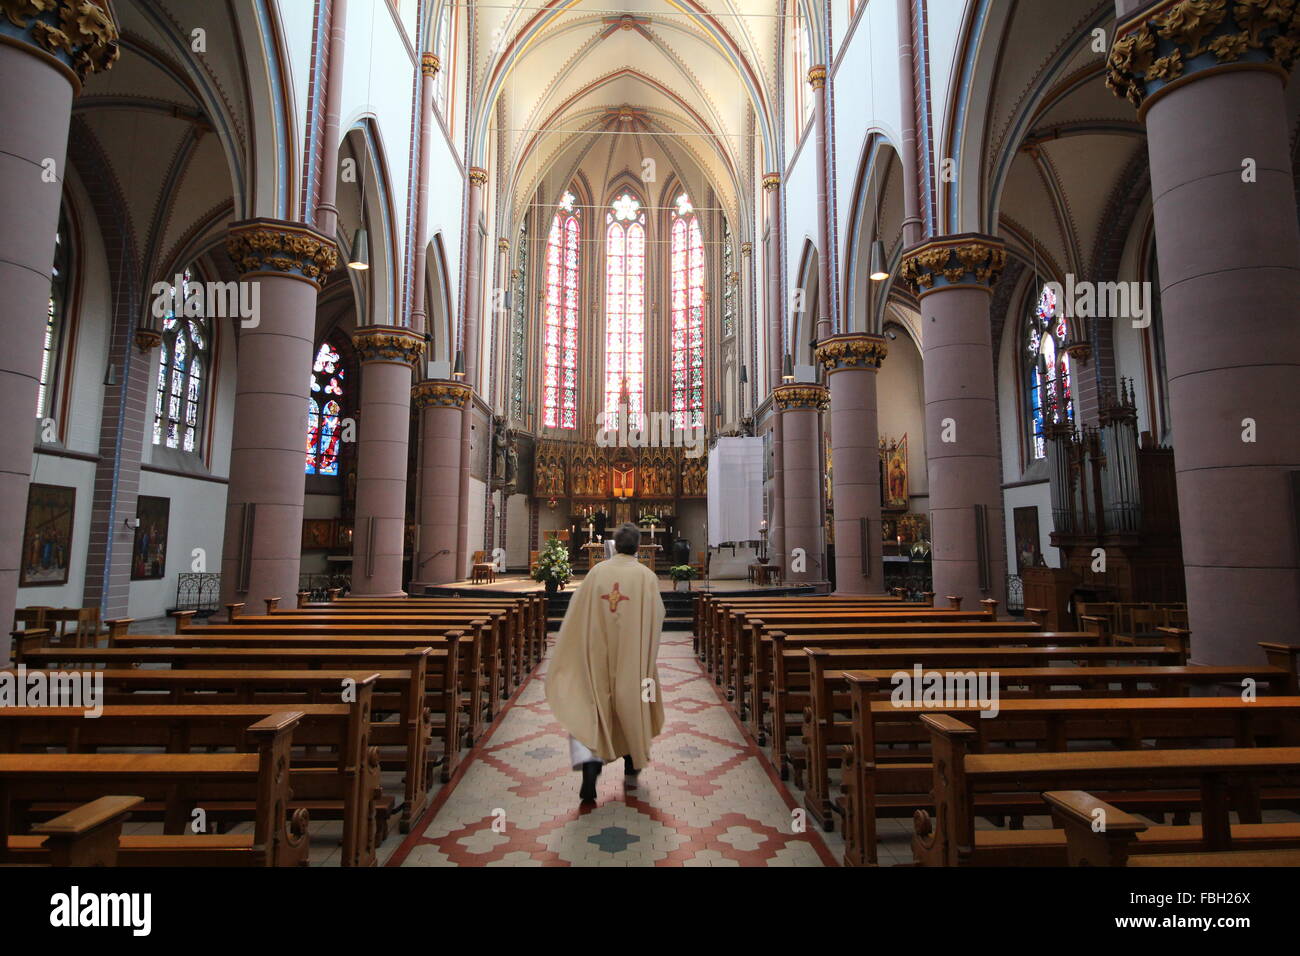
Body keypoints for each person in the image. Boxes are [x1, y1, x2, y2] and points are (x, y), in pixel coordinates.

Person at [546, 521, 665, 803]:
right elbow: (656, 616)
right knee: (631, 702)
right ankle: (631, 761)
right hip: (631, 656)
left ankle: (590, 771)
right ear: (637, 546)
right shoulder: (646, 576)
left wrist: (577, 648)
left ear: (613, 545)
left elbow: (577, 612)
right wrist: (646, 653)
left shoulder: (596, 573)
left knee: (592, 709)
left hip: (595, 656)